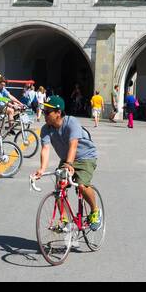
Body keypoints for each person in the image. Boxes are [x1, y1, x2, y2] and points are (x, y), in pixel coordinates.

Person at [31, 96, 100, 228]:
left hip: (85, 157)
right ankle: (65, 220)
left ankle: (95, 211)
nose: (44, 114)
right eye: (44, 111)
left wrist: (68, 165)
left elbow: (73, 145)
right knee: (59, 188)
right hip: (67, 159)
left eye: (47, 112)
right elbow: (45, 149)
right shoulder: (46, 129)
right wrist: (42, 169)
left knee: (82, 186)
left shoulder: (71, 122)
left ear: (58, 113)